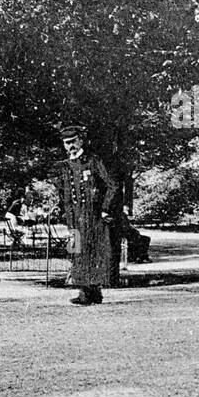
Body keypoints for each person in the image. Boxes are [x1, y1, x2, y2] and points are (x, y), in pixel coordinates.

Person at [51, 124, 119, 305]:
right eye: (66, 143)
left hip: (93, 216)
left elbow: (112, 185)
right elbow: (63, 192)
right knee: (76, 251)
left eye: (73, 142)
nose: (70, 146)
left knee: (93, 252)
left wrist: (105, 208)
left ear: (81, 140)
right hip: (73, 218)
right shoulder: (65, 166)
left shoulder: (93, 161)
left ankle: (92, 292)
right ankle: (85, 290)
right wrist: (61, 210)